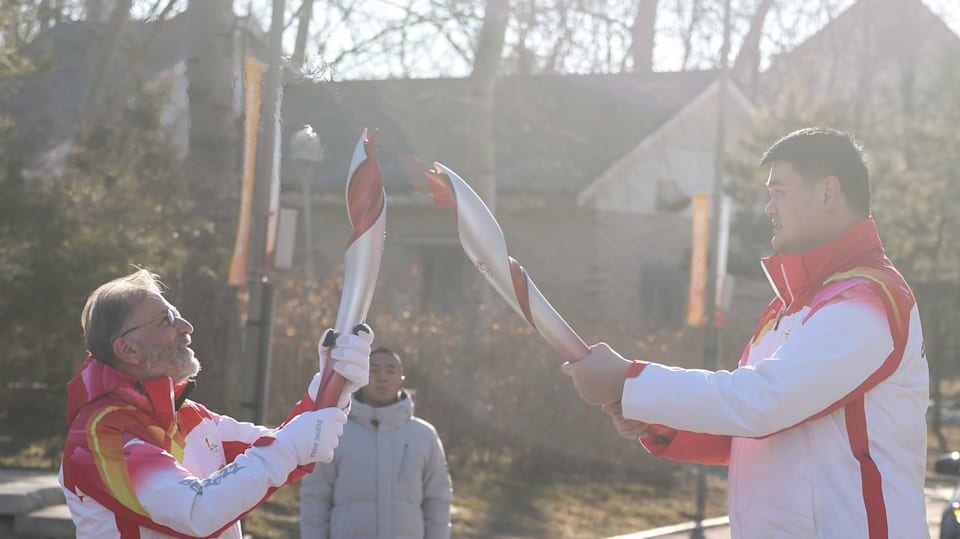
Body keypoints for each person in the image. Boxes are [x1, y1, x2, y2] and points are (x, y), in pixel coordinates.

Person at [563, 127, 929, 538]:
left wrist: (630, 379)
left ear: (828, 193)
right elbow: (752, 428)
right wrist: (656, 416)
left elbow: (760, 402)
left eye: (779, 192)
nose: (768, 208)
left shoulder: (868, 300)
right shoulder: (785, 308)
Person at [59, 269, 374, 539]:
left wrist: (333, 383)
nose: (186, 326)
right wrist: (292, 446)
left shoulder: (189, 416)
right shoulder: (97, 438)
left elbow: (285, 447)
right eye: (166, 320)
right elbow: (196, 512)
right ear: (127, 349)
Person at [300, 347, 453, 539]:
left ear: (401, 381)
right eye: (374, 370)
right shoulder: (337, 432)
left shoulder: (424, 435)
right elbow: (316, 496)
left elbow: (438, 500)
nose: (382, 377)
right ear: (361, 377)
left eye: (390, 371)